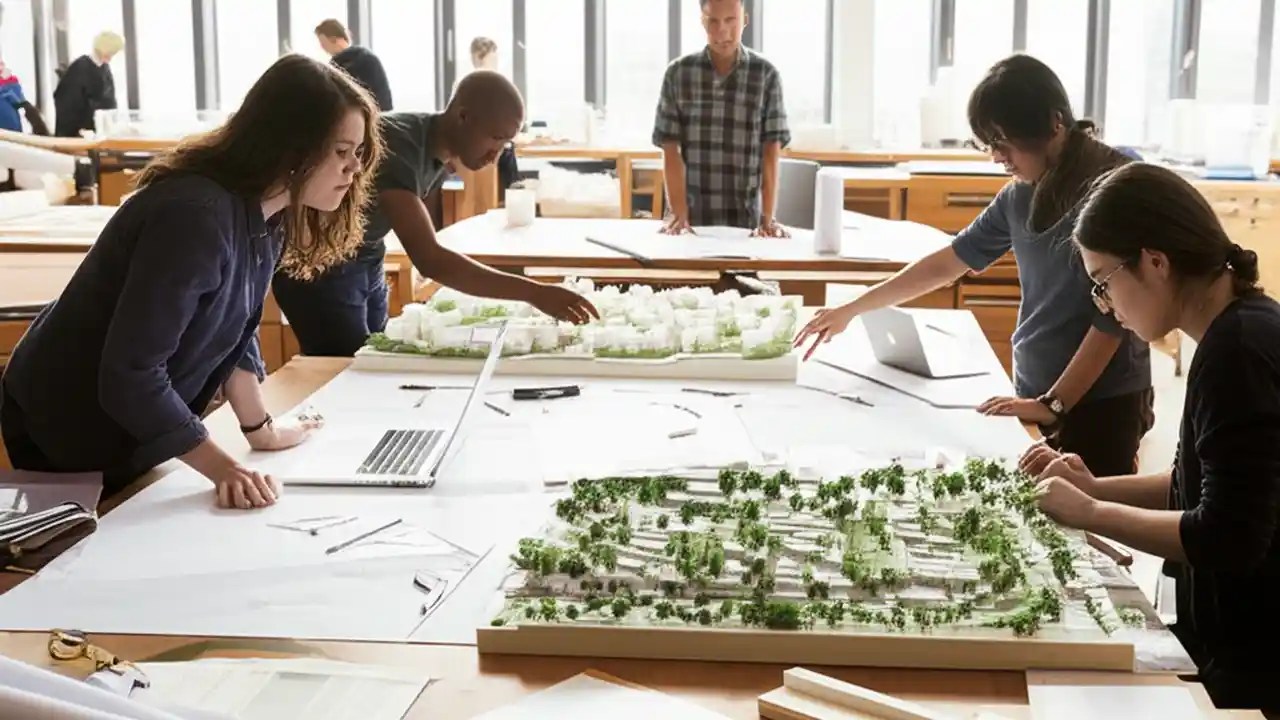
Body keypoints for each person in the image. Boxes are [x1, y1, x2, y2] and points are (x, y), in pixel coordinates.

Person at [0, 55, 382, 510]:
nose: (354, 169)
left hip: (126, 420)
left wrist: (261, 429)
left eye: (359, 153)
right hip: (66, 423)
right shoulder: (196, 217)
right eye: (341, 151)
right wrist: (224, 468)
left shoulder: (266, 216)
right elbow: (131, 375)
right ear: (291, 146)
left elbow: (236, 328)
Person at [794, 54, 1153, 478]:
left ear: (1053, 122)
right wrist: (852, 309)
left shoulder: (1116, 187)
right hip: (1036, 387)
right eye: (988, 143)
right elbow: (950, 260)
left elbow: (1112, 318)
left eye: (1003, 141)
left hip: (1101, 400)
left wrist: (1056, 403)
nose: (997, 157)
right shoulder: (1020, 193)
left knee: (1095, 509)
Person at [1023, 163, 1280, 713]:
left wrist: (1091, 513)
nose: (1104, 303)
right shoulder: (1234, 330)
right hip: (1232, 641)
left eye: (1103, 282)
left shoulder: (1238, 351)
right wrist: (1098, 489)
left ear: (1155, 263)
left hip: (1259, 666)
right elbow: (1199, 482)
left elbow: (1229, 535)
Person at [272, 70, 597, 358]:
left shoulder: (436, 143)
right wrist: (535, 292)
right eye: (495, 139)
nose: (495, 156)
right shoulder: (399, 146)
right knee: (346, 369)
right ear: (463, 116)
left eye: (505, 145)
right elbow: (430, 259)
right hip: (319, 261)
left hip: (365, 253)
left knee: (374, 357)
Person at [652, 0, 790, 238]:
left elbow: (771, 152)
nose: (722, 31)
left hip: (746, 223)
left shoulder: (766, 75)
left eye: (730, 20)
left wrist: (768, 219)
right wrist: (678, 213)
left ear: (744, 19)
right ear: (702, 21)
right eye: (713, 21)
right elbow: (670, 149)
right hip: (690, 223)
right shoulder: (678, 74)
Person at [460, 36, 519, 195]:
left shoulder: (491, 84)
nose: (496, 63)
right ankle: (512, 194)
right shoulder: (473, 85)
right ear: (478, 58)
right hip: (477, 144)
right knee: (506, 150)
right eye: (492, 59)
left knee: (507, 149)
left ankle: (512, 194)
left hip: (488, 141)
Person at [53, 31, 123, 138]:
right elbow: (67, 102)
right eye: (110, 53)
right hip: (77, 132)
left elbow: (109, 100)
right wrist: (82, 128)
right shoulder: (79, 67)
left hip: (97, 131)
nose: (111, 57)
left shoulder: (105, 68)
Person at [315, 18, 393, 111]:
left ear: (334, 40)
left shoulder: (353, 61)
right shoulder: (365, 56)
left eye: (323, 43)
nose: (322, 47)